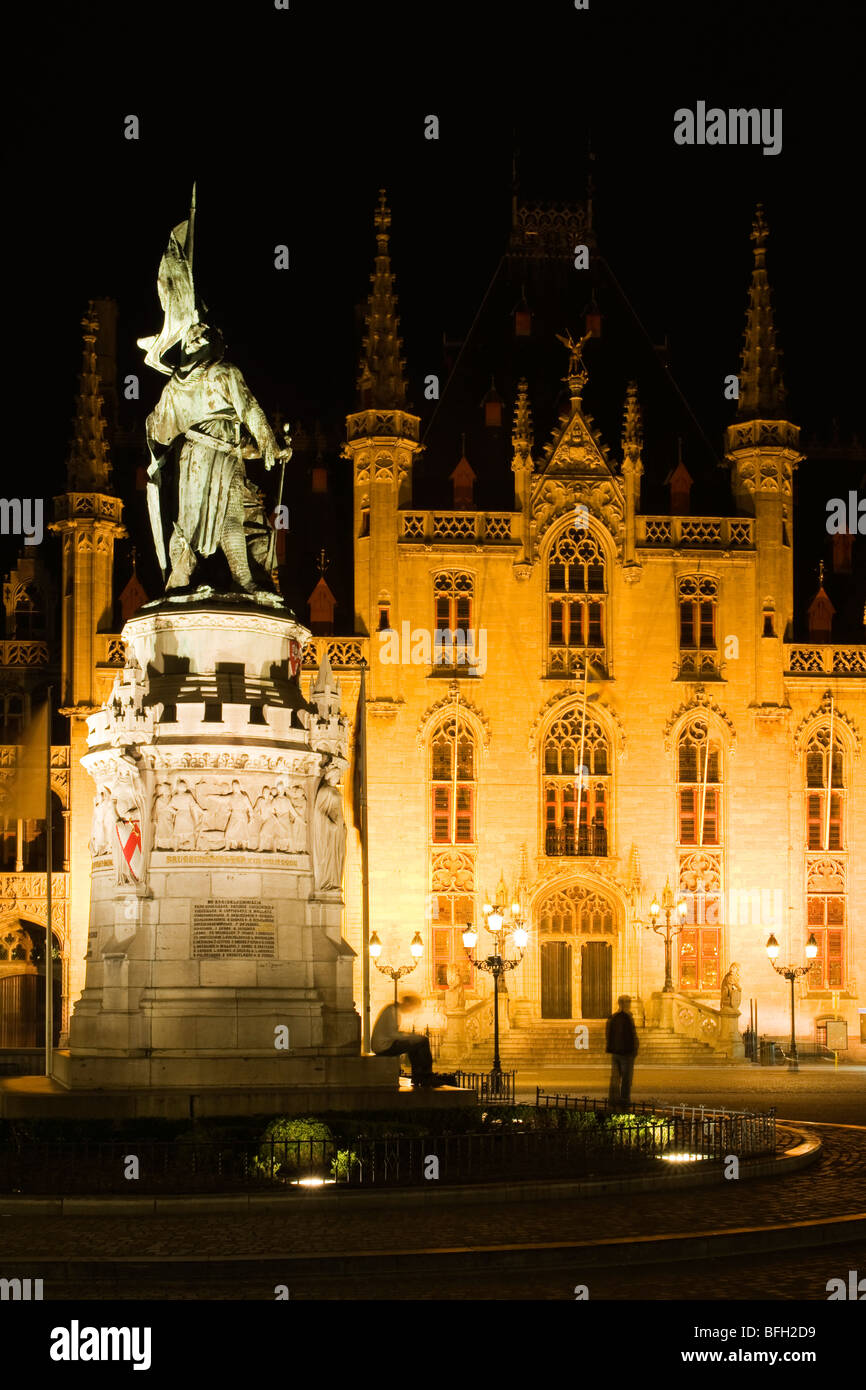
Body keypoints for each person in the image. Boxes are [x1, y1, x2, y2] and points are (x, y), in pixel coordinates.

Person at [370, 992, 434, 1086]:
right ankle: (425, 1076)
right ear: (407, 1004)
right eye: (412, 1008)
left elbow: (393, 1032)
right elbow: (392, 1034)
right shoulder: (393, 1011)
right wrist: (412, 1037)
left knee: (415, 1044)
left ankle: (420, 1077)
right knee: (423, 1041)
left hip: (384, 1044)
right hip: (384, 1046)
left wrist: (410, 1037)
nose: (411, 1011)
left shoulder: (393, 1010)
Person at [605, 994, 639, 1108]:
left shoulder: (612, 1017)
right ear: (623, 1003)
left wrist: (611, 1047)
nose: (630, 1005)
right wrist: (634, 1049)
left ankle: (613, 1100)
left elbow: (608, 1034)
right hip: (626, 1053)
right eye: (628, 1002)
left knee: (615, 1078)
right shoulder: (627, 1017)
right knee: (626, 1078)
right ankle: (624, 1100)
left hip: (615, 1052)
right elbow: (631, 1035)